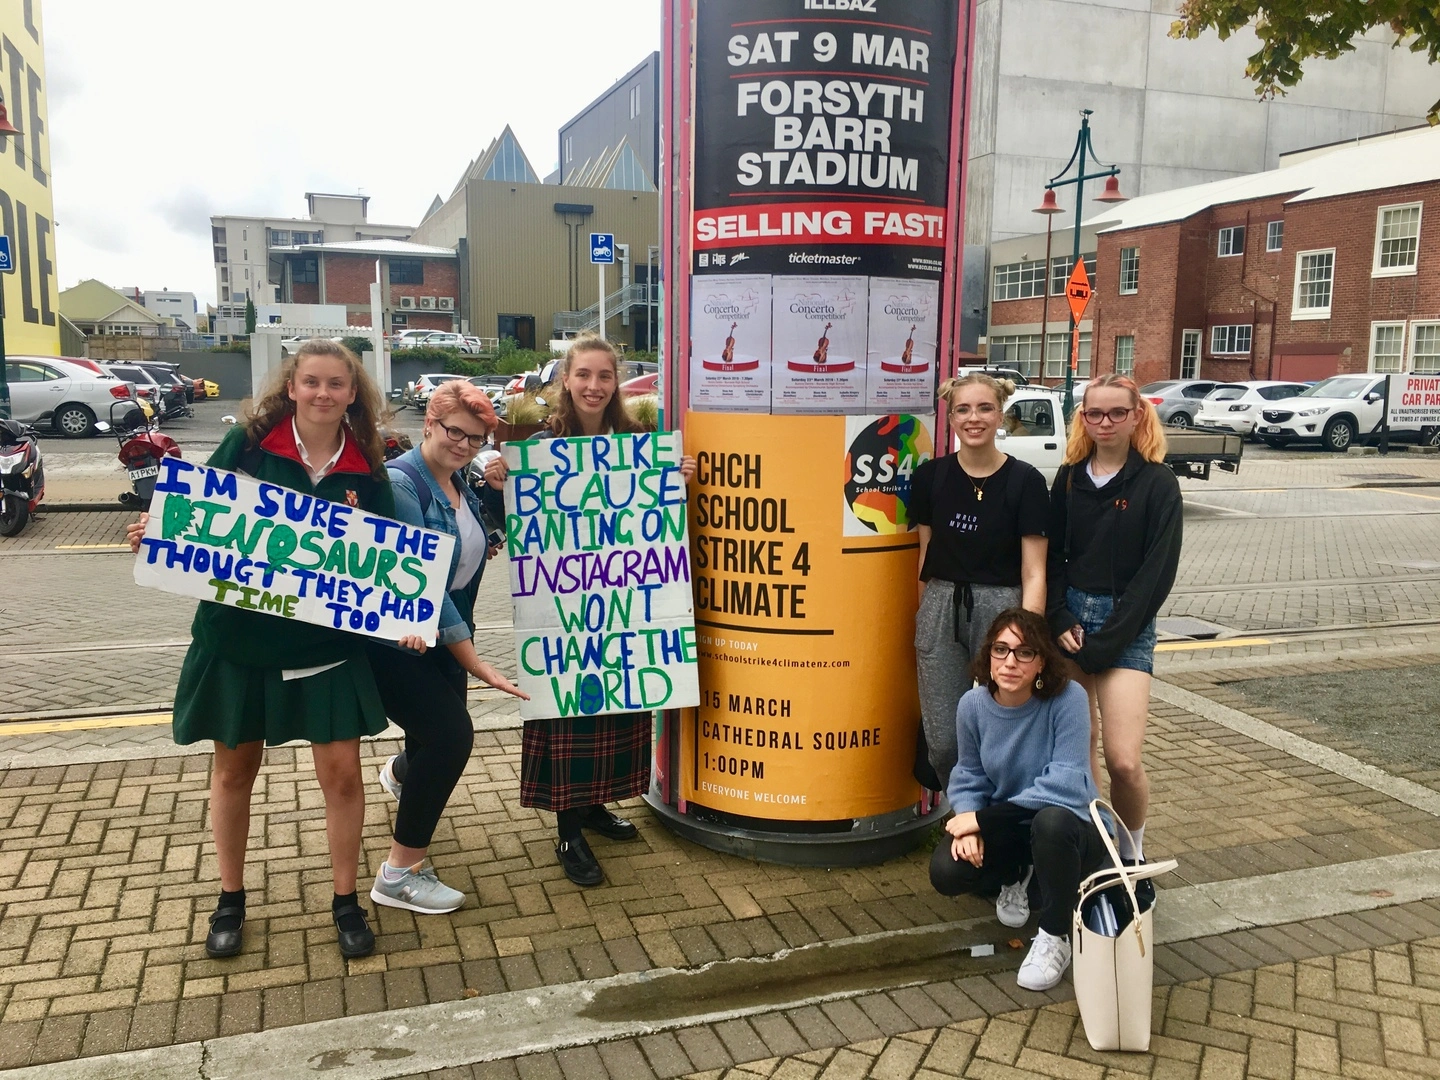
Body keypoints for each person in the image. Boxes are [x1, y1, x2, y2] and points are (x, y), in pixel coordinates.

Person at [126, 340, 395, 959]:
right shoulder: (246, 447)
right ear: (292, 388)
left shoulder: (368, 467)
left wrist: (406, 612)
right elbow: (193, 518)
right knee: (233, 771)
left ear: (353, 394)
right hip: (238, 642)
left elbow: (392, 558)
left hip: (327, 647)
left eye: (336, 384)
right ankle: (230, 898)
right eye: (311, 382)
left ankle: (345, 900)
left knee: (344, 777)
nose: (323, 394)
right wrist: (156, 532)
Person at [484, 334, 695, 887]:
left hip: (621, 615)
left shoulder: (638, 443)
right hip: (565, 616)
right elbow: (510, 521)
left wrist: (675, 480)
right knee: (567, 718)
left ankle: (596, 807)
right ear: (566, 381)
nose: (594, 386)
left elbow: (654, 524)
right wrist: (498, 480)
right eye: (583, 375)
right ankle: (567, 829)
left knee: (617, 713)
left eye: (604, 376)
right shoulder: (541, 444)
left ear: (616, 382)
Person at [367, 380, 528, 914]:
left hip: (446, 633)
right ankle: (399, 874)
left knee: (433, 736)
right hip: (397, 637)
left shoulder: (462, 479)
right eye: (454, 431)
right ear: (429, 424)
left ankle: (399, 774)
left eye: (476, 437)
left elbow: (490, 541)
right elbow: (426, 585)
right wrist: (477, 663)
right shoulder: (402, 485)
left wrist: (501, 487)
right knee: (452, 735)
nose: (463, 443)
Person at [1046, 373, 1182, 885]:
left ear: (1137, 416)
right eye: (1094, 413)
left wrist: (1108, 642)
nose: (1105, 422)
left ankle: (1131, 851)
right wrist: (1059, 618)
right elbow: (1052, 556)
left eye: (1116, 413)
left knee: (1123, 760)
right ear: (1082, 418)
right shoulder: (1069, 479)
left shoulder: (1157, 483)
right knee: (1081, 752)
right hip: (1070, 625)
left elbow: (1156, 575)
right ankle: (1094, 843)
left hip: (1128, 626)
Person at [930, 608, 1109, 991]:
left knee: (1050, 823)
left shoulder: (1068, 699)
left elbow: (1065, 782)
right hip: (1014, 827)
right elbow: (969, 775)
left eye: (1024, 652)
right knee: (948, 870)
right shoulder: (973, 706)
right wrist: (967, 820)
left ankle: (1054, 935)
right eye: (1001, 649)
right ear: (988, 656)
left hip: (1071, 826)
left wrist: (983, 821)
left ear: (1042, 660)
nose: (1010, 661)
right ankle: (1020, 876)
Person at [910, 373, 1049, 790]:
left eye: (984, 408)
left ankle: (1001, 823)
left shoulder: (1026, 481)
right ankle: (964, 816)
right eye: (963, 409)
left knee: (1008, 728)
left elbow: (1035, 570)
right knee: (944, 740)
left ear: (1000, 414)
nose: (974, 418)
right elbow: (925, 556)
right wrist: (922, 617)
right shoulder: (930, 478)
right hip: (941, 606)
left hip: (1005, 611)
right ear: (950, 417)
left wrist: (1028, 636)